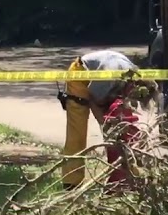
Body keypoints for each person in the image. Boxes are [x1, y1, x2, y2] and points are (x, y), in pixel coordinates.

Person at [57, 49, 158, 190]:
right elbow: (94, 100)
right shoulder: (109, 77)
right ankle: (71, 182)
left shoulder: (131, 75)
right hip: (79, 75)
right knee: (77, 133)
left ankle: (126, 178)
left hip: (100, 78)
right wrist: (105, 124)